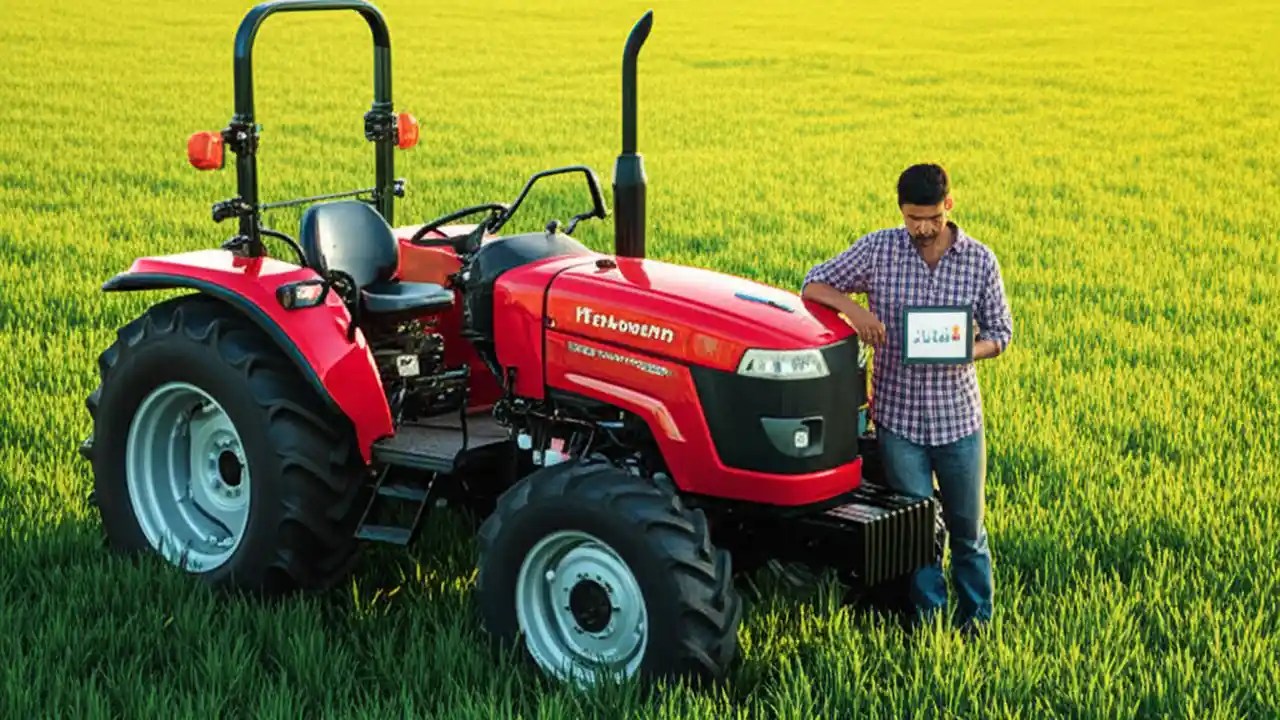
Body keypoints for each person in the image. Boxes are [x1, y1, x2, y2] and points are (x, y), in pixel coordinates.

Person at [799, 163, 1014, 636]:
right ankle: (929, 623)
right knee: (917, 535)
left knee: (968, 532)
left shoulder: (980, 261)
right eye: (913, 218)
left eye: (932, 218)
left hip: (959, 423)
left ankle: (978, 623)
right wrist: (856, 310)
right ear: (901, 211)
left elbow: (1002, 333)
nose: (923, 228)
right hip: (899, 425)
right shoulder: (879, 249)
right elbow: (813, 283)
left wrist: (965, 350)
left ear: (949, 206)